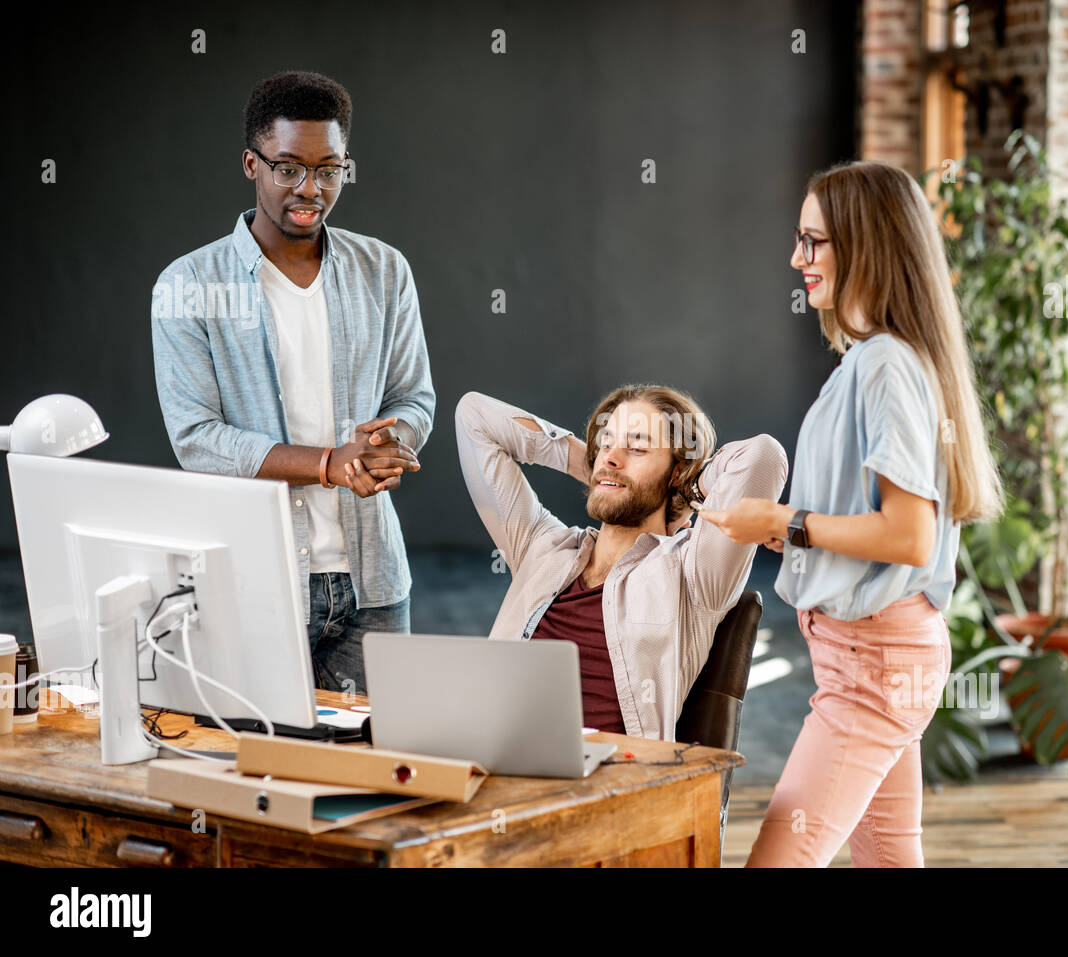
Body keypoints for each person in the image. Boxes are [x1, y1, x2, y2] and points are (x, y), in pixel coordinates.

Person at [699, 161, 1004, 867]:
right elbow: (868, 525)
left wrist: (781, 523)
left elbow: (908, 533)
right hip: (871, 657)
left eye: (814, 242)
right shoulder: (875, 360)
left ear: (865, 246)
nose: (796, 259)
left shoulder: (886, 367)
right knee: (890, 859)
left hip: (875, 662)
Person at [151, 71, 436, 695]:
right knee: (251, 771)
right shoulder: (189, 284)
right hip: (253, 586)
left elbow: (413, 396)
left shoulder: (385, 270)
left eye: (329, 170)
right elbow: (197, 439)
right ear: (252, 164)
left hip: (373, 586)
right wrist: (332, 463)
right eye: (288, 169)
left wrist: (391, 442)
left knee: (378, 772)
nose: (310, 189)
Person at [455, 388, 787, 740]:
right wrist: (599, 469)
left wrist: (687, 486)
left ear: (677, 471)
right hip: (495, 757)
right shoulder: (541, 547)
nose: (611, 457)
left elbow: (763, 457)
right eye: (606, 443)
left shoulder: (693, 573)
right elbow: (474, 416)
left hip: (608, 780)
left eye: (638, 448)